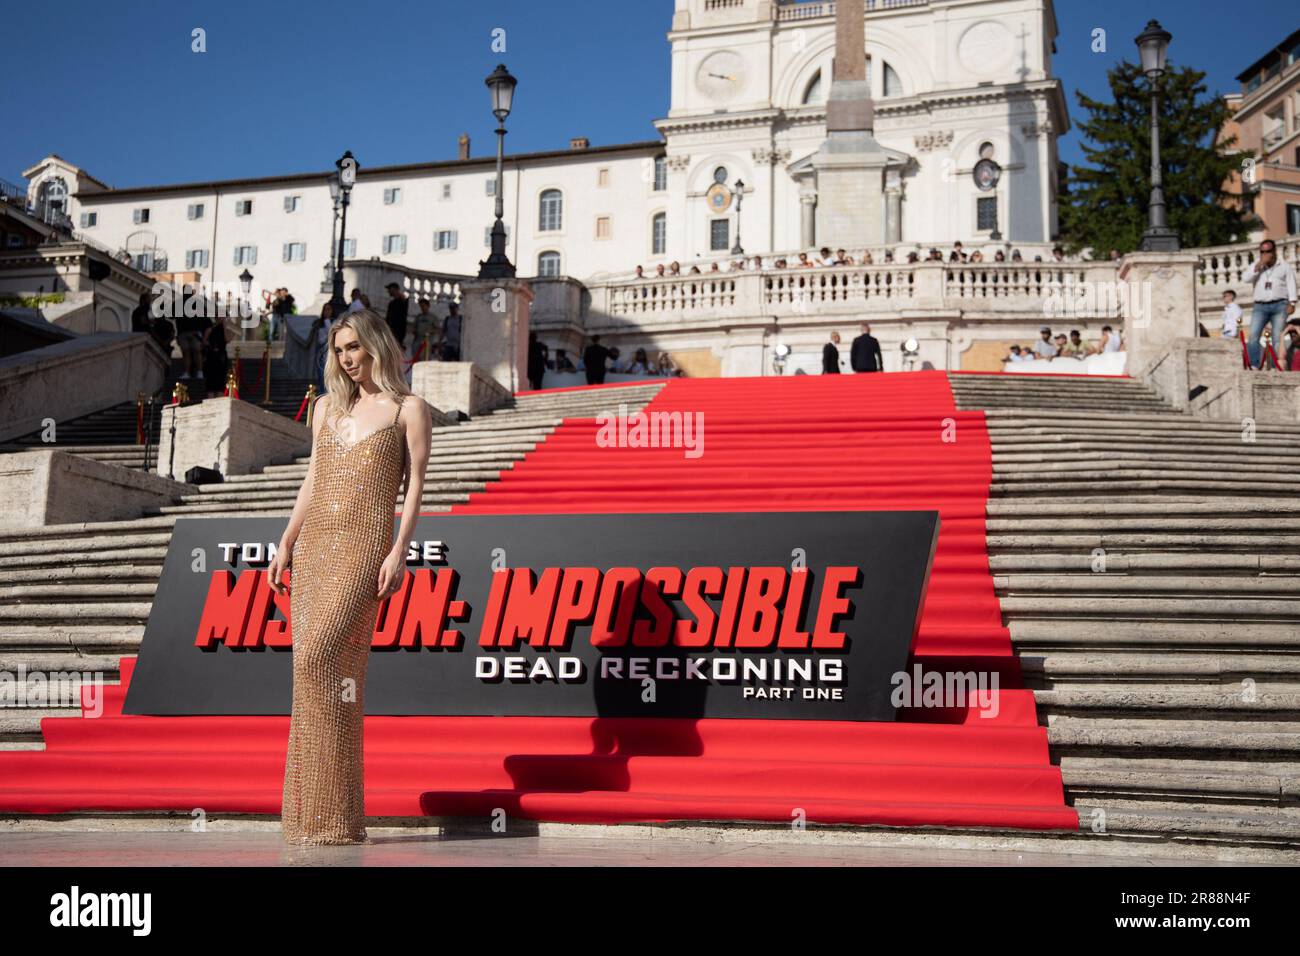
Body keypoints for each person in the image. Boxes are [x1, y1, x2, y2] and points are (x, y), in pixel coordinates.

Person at [268, 308, 432, 846]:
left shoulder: (409, 410)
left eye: (354, 348)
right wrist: (288, 540)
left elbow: (413, 489)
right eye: (339, 350)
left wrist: (399, 550)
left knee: (322, 658)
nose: (346, 359)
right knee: (312, 674)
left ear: (377, 347)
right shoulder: (325, 410)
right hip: (316, 545)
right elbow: (313, 480)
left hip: (365, 547)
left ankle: (330, 812)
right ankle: (320, 817)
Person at [1243, 239, 1298, 369]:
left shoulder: (1284, 266)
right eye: (1262, 252)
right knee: (1253, 336)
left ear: (1274, 251)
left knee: (1277, 337)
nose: (1265, 254)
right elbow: (1245, 278)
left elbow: (1291, 284)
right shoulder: (1255, 266)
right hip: (1260, 306)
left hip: (1280, 305)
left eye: (1268, 251)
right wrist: (1258, 266)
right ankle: (1254, 365)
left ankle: (1278, 365)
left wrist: (1293, 302)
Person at [308, 302, 335, 394]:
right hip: (322, 353)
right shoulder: (319, 323)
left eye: (329, 309)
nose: (327, 311)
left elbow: (332, 334)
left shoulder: (334, 322)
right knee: (322, 377)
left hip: (332, 353)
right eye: (325, 309)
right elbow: (320, 340)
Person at [202, 313, 229, 396]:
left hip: (221, 357)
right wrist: (210, 346)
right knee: (211, 381)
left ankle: (219, 398)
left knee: (220, 381)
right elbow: (204, 341)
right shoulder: (210, 329)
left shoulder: (225, 329)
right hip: (211, 357)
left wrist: (224, 327)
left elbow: (227, 339)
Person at [383, 282, 408, 353]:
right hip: (390, 332)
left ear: (395, 289)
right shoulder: (391, 303)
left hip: (398, 332)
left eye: (390, 289)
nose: (388, 291)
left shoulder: (403, 301)